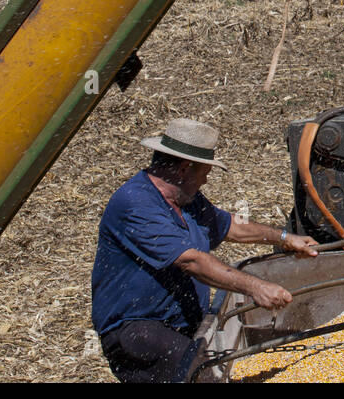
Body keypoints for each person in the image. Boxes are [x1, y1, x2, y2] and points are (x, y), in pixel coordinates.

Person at [91, 117, 318, 382]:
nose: (207, 179)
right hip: (136, 328)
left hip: (179, 327)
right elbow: (192, 262)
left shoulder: (186, 199)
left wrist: (284, 237)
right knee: (200, 375)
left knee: (198, 367)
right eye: (205, 171)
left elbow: (230, 224)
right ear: (186, 168)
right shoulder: (136, 203)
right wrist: (255, 286)